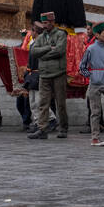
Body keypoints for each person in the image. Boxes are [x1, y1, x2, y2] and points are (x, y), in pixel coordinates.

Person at [28, 10, 68, 140]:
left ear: (52, 22)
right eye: (43, 23)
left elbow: (59, 51)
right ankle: (42, 129)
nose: (44, 26)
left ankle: (63, 128)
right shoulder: (40, 37)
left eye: (46, 23)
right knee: (43, 103)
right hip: (44, 75)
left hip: (58, 73)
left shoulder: (61, 34)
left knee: (60, 103)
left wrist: (43, 56)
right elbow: (33, 52)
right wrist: (47, 49)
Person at [79, 22, 104, 146]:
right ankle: (95, 138)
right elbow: (82, 67)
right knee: (95, 112)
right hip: (95, 84)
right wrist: (92, 76)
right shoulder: (90, 49)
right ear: (97, 34)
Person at [78, 24, 97, 133]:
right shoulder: (88, 41)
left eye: (89, 29)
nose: (87, 31)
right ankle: (100, 123)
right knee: (93, 99)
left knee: (92, 99)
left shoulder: (94, 43)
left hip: (94, 73)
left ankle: (92, 124)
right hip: (89, 73)